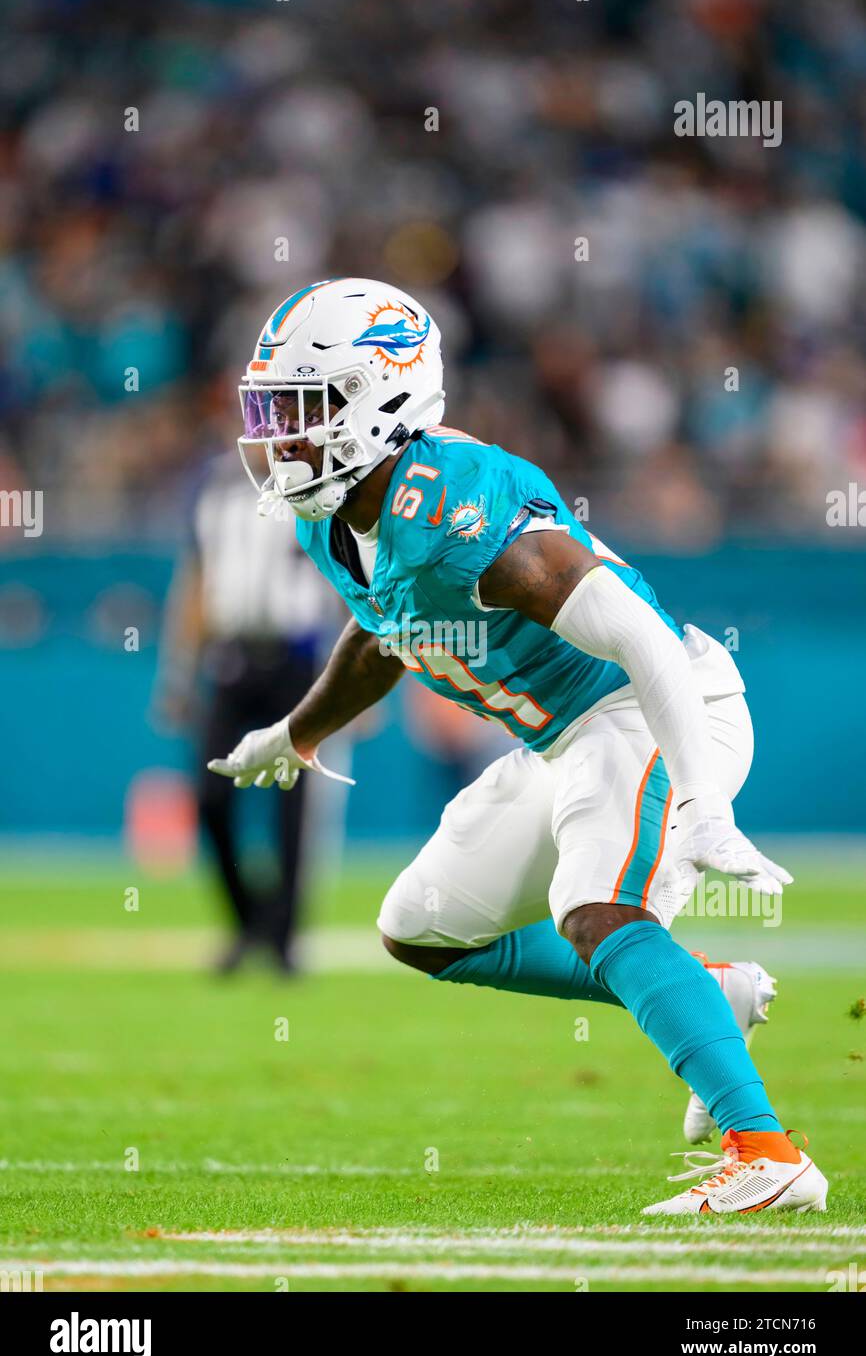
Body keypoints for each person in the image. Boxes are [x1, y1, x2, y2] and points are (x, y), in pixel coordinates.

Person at [208, 278, 827, 1214]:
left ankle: (769, 1155)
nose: (282, 437)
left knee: (596, 909)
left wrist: (705, 800)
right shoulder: (334, 513)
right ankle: (707, 993)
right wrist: (294, 735)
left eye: (305, 409)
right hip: (561, 740)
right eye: (275, 411)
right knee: (421, 926)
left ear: (382, 400)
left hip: (649, 707)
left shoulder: (463, 509)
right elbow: (384, 634)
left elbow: (642, 638)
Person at [156, 449, 335, 973]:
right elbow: (195, 581)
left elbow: (343, 577)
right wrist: (178, 673)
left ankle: (282, 940)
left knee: (291, 806)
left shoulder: (314, 484)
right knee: (211, 797)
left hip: (295, 661)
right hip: (232, 658)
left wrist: (349, 680)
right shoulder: (211, 485)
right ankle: (248, 920)